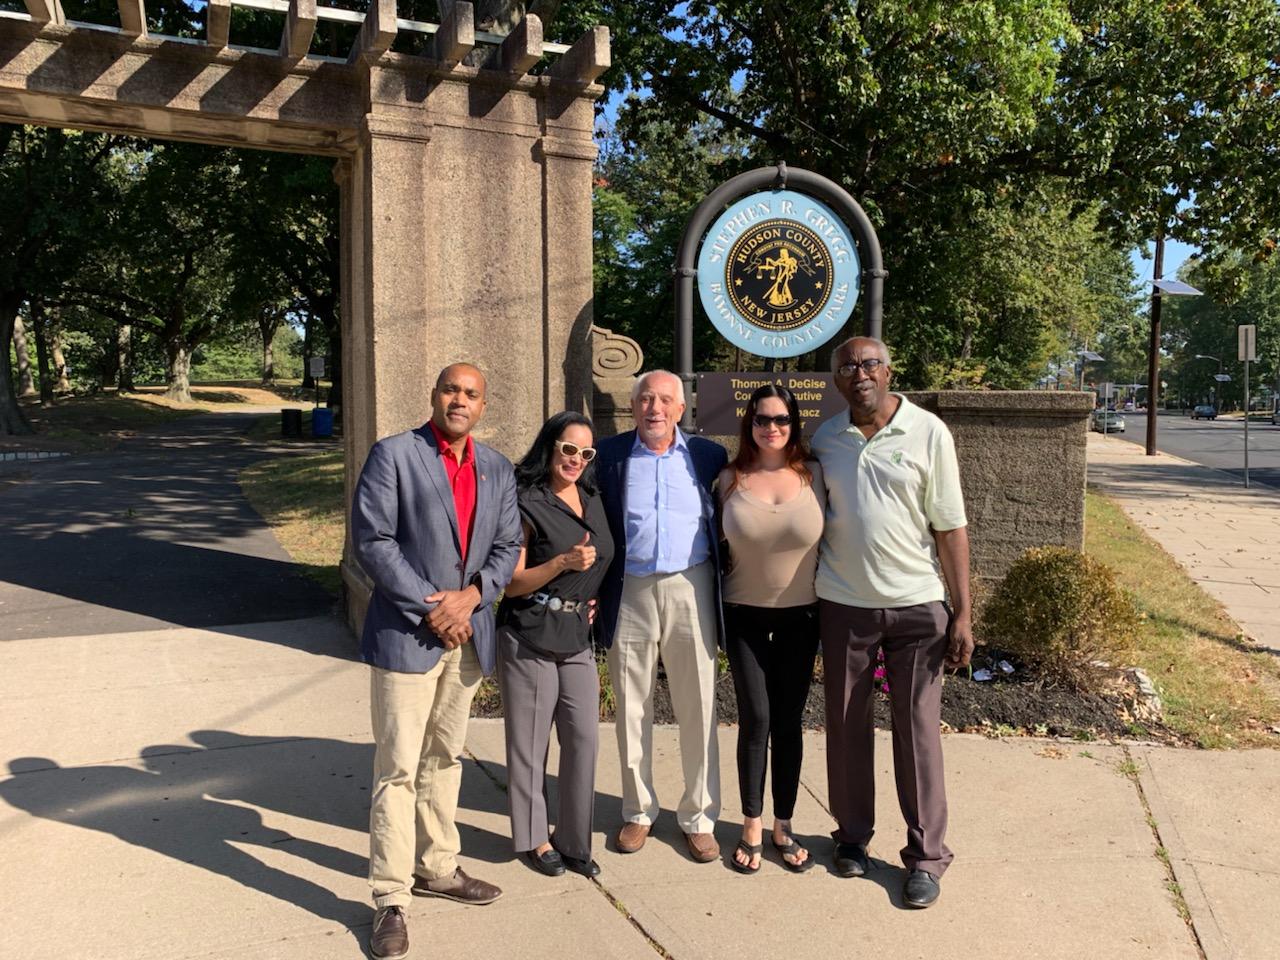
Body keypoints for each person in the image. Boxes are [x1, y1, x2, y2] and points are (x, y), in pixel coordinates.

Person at [351, 363, 522, 960]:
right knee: (397, 768)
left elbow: (507, 546)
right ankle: (390, 897)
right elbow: (374, 541)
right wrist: (435, 607)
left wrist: (470, 599)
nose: (460, 400)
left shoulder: (497, 467)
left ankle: (438, 867)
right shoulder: (394, 455)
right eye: (451, 389)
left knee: (445, 757)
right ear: (434, 396)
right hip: (409, 635)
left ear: (483, 405)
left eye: (471, 393)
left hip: (467, 636)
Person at [811, 336, 974, 910]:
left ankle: (926, 857)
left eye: (870, 363)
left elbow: (950, 526)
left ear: (888, 370)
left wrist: (963, 611)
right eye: (848, 366)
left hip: (917, 605)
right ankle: (852, 837)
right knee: (845, 725)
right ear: (837, 379)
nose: (860, 373)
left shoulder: (928, 432)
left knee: (918, 731)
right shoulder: (826, 438)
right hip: (843, 603)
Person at [595, 369, 728, 863]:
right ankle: (637, 810)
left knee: (699, 703)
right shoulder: (608, 456)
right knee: (631, 706)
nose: (655, 408)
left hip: (691, 585)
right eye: (646, 399)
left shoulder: (708, 456)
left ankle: (699, 816)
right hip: (629, 588)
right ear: (633, 407)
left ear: (681, 409)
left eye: (665, 400)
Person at [497, 412, 614, 880]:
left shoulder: (592, 497)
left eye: (585, 453)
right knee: (530, 743)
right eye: (568, 449)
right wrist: (562, 563)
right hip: (529, 633)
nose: (576, 460)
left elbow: (603, 557)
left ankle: (572, 840)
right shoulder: (526, 500)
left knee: (583, 739)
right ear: (549, 446)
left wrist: (589, 596)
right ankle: (534, 839)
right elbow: (512, 583)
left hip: (576, 636)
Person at [717, 384, 825, 874]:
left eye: (782, 419)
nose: (772, 427)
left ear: (794, 423)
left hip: (803, 615)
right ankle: (752, 822)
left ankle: (784, 824)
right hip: (744, 614)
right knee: (756, 718)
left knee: (788, 721)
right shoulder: (728, 479)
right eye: (762, 419)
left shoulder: (816, 475)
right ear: (750, 424)